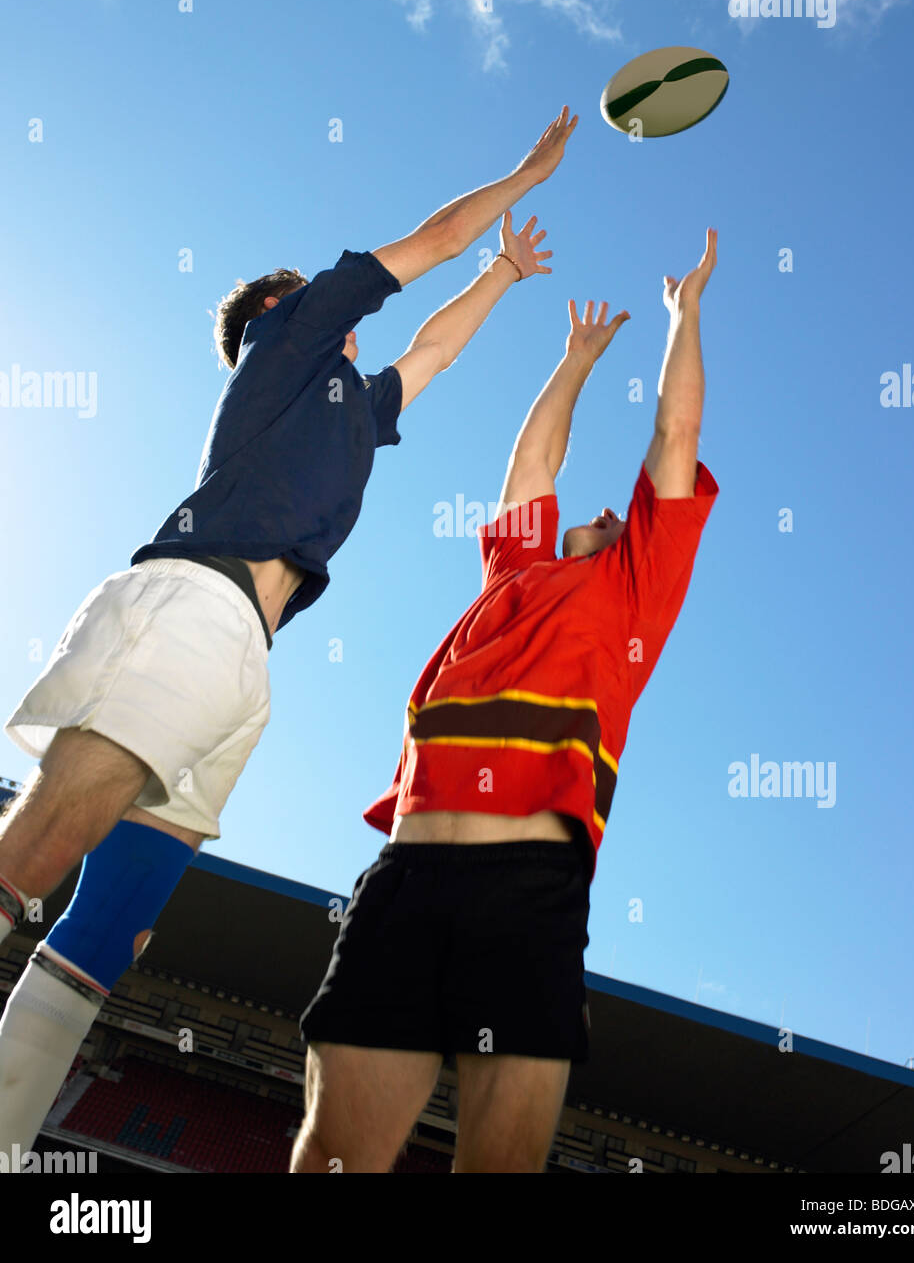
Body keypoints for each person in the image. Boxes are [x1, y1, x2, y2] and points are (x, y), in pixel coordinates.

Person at [0, 107, 578, 1156]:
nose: (333, 302)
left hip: (244, 659)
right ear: (279, 308)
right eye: (303, 290)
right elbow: (435, 236)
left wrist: (503, 273)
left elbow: (435, 352)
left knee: (114, 925)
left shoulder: (351, 400)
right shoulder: (288, 337)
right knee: (41, 843)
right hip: (190, 604)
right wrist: (526, 175)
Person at [293, 229, 720, 1174]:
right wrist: (575, 363)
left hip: (528, 889)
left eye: (619, 516)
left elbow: (674, 435)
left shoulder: (635, 590)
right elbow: (532, 463)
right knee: (330, 1156)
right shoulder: (513, 572)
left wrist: (682, 316)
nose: (604, 511)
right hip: (404, 878)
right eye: (594, 511)